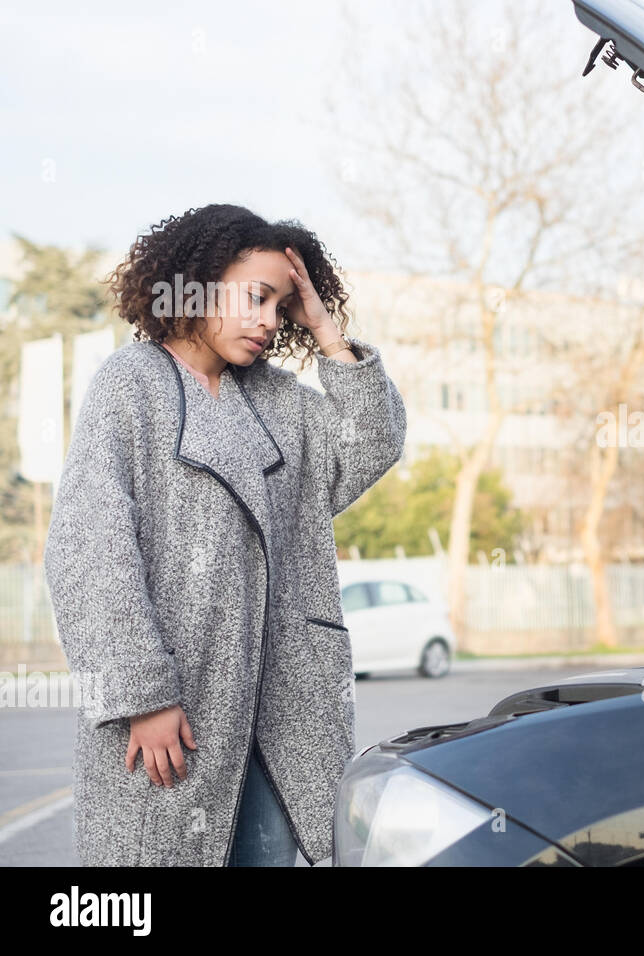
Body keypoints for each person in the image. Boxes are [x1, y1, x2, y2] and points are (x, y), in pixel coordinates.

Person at [43, 203, 407, 866]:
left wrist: (326, 331)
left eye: (282, 305)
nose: (269, 321)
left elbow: (371, 445)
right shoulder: (131, 386)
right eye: (256, 297)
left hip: (281, 721)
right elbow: (88, 546)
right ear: (197, 281)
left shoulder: (281, 404)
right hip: (171, 718)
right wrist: (142, 694)